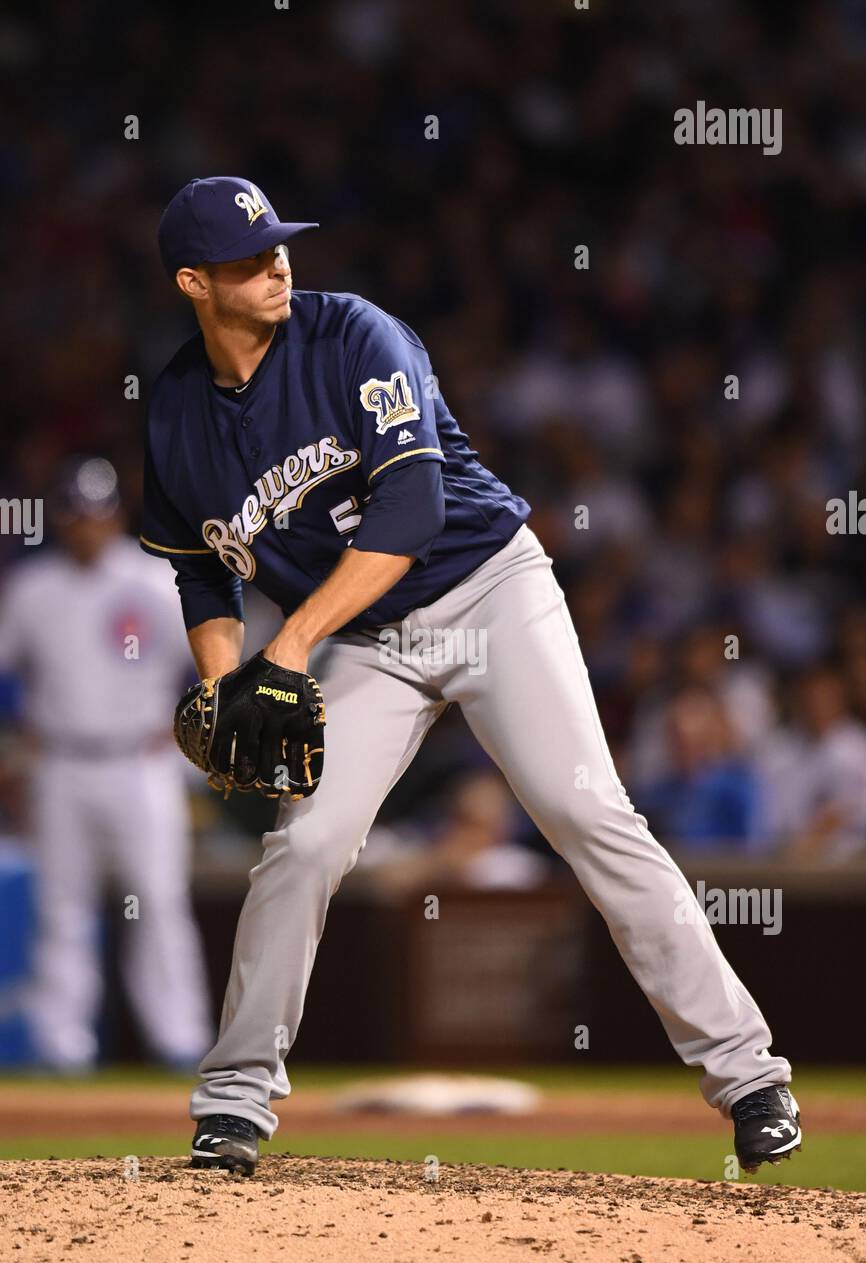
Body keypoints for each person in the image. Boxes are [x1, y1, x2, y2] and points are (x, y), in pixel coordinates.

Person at [142, 176, 801, 1176]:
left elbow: (407, 519)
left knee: (589, 815)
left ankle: (749, 1077)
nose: (276, 262)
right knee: (305, 843)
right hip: (367, 636)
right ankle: (233, 1101)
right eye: (247, 257)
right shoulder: (178, 415)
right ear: (193, 282)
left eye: (279, 244)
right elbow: (201, 571)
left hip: (487, 584)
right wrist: (227, 683)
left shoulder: (356, 337)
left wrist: (288, 649)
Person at [0, 457, 213, 1071]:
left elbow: (209, 666)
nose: (85, 525)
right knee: (62, 908)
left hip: (140, 761)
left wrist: (186, 736)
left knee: (157, 901)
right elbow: (9, 676)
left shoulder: (154, 580)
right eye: (74, 514)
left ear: (116, 514)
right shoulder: (31, 587)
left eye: (95, 513)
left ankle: (179, 1041)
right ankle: (61, 1048)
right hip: (61, 761)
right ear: (61, 518)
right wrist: (22, 741)